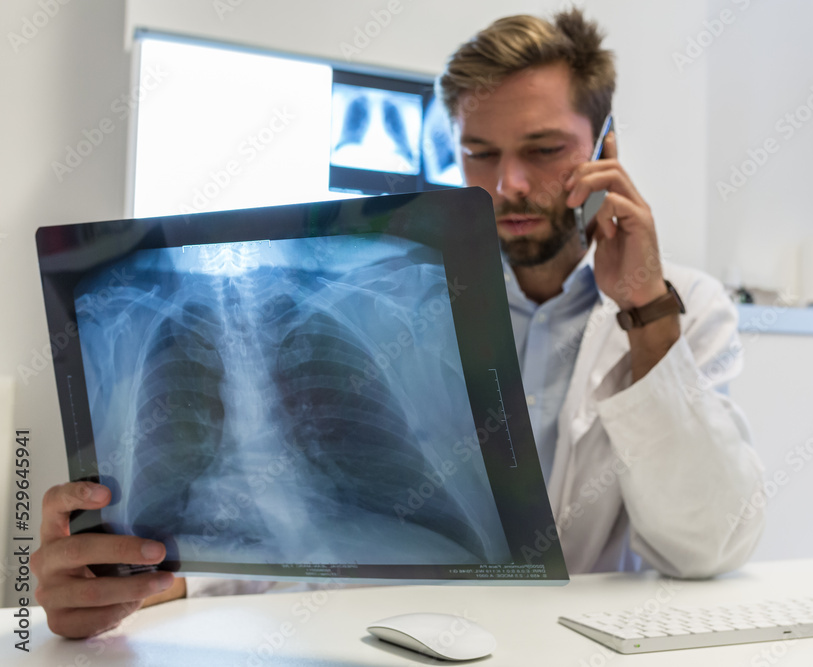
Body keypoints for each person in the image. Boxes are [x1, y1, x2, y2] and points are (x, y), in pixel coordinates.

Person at [31, 8, 765, 639]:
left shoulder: (681, 307)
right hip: (420, 641)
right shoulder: (397, 305)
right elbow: (325, 536)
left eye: (544, 151)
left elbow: (703, 546)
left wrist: (643, 307)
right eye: (480, 153)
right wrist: (152, 584)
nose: (508, 183)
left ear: (606, 146)